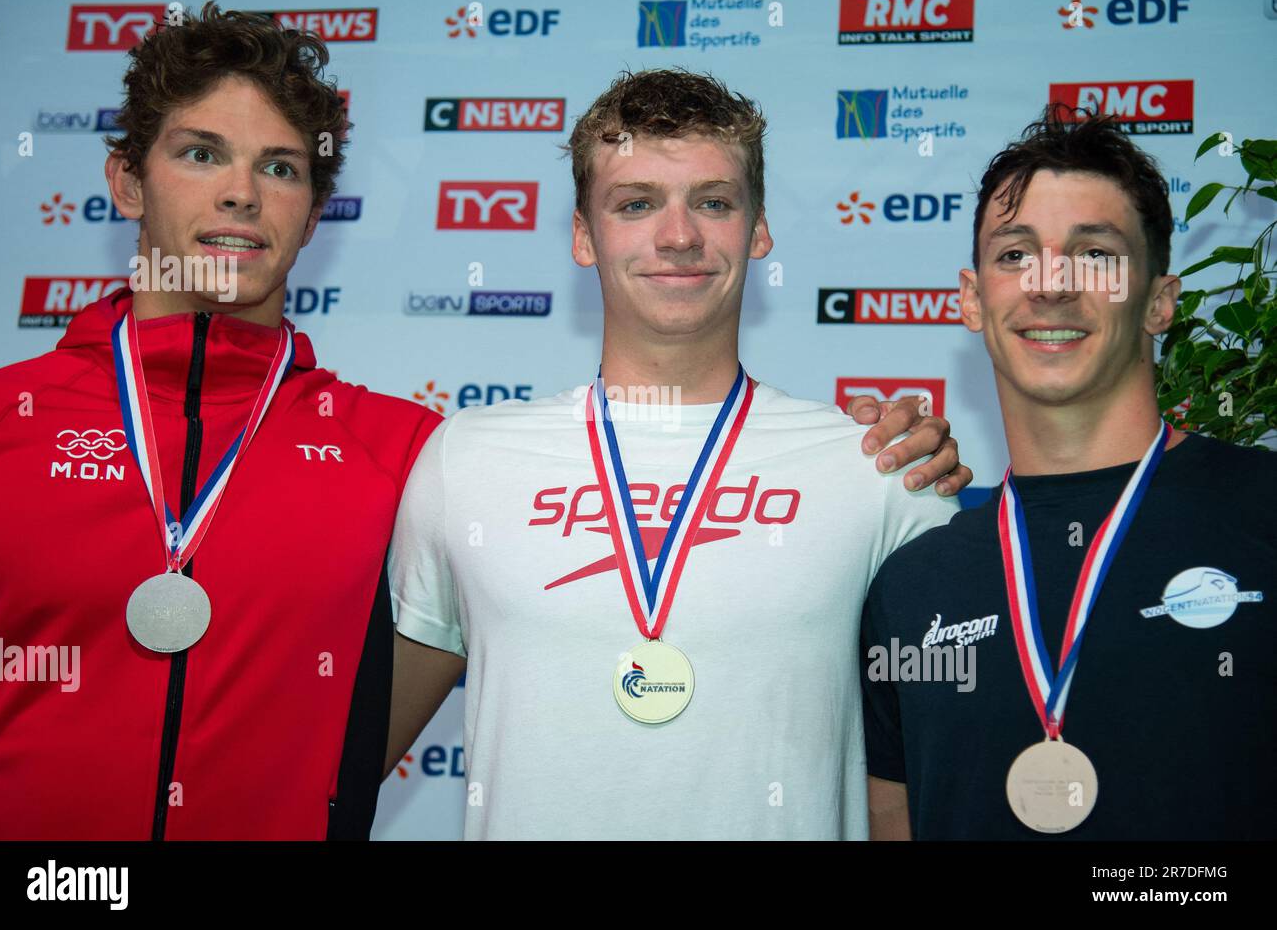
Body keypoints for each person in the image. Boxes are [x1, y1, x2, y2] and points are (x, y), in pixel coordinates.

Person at [384, 68, 970, 840]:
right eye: (635, 204)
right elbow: (344, 761)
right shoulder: (466, 461)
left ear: (758, 230)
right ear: (582, 236)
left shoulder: (879, 469)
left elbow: (924, 776)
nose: (679, 236)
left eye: (714, 202)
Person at [0, 3, 440, 839]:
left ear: (313, 210)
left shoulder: (404, 454)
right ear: (126, 183)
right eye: (201, 153)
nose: (241, 192)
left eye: (282, 168)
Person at [861, 106, 1276, 840]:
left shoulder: (1262, 513)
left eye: (1095, 254)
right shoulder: (912, 582)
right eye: (1016, 254)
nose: (1049, 285)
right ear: (971, 299)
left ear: (1158, 301)